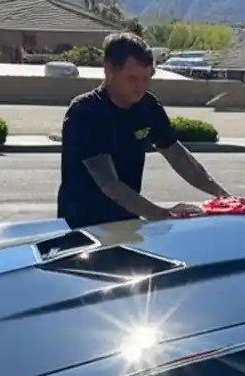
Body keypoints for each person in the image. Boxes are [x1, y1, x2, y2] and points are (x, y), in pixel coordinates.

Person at [56, 31, 230, 229]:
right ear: (108, 69)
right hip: (83, 226)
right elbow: (109, 184)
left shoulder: (148, 106)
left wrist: (223, 197)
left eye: (147, 78)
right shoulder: (85, 112)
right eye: (132, 78)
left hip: (127, 222)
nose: (140, 87)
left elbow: (178, 156)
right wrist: (163, 214)